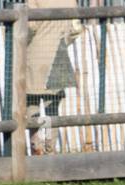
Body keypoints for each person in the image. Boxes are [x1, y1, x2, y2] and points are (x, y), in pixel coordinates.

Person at [25, 0, 83, 155]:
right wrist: (62, 42)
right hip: (59, 56)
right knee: (52, 110)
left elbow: (30, 27)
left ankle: (37, 146)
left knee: (32, 107)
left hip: (35, 56)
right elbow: (76, 28)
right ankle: (50, 148)